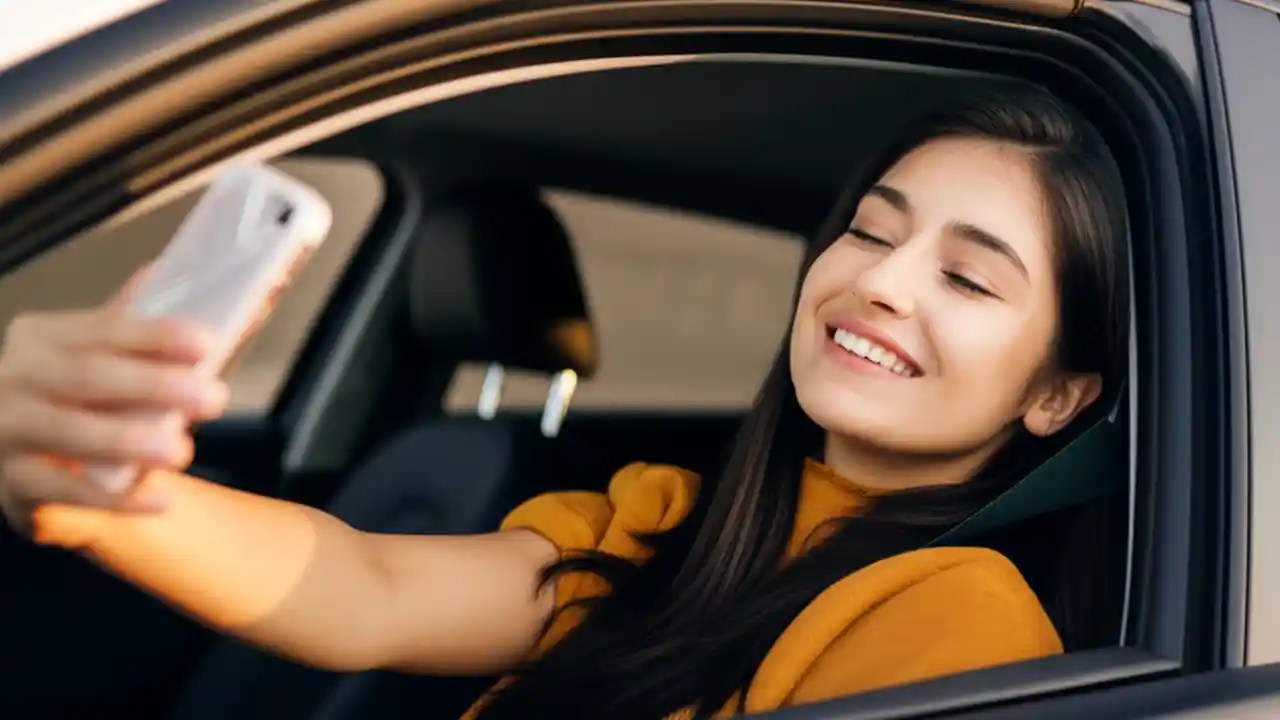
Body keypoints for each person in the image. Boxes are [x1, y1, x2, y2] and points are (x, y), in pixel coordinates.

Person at [0, 87, 1128, 720]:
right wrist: (99, 490)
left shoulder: (962, 623)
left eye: (967, 277)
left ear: (1055, 394)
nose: (876, 279)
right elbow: (365, 586)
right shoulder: (662, 522)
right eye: (871, 231)